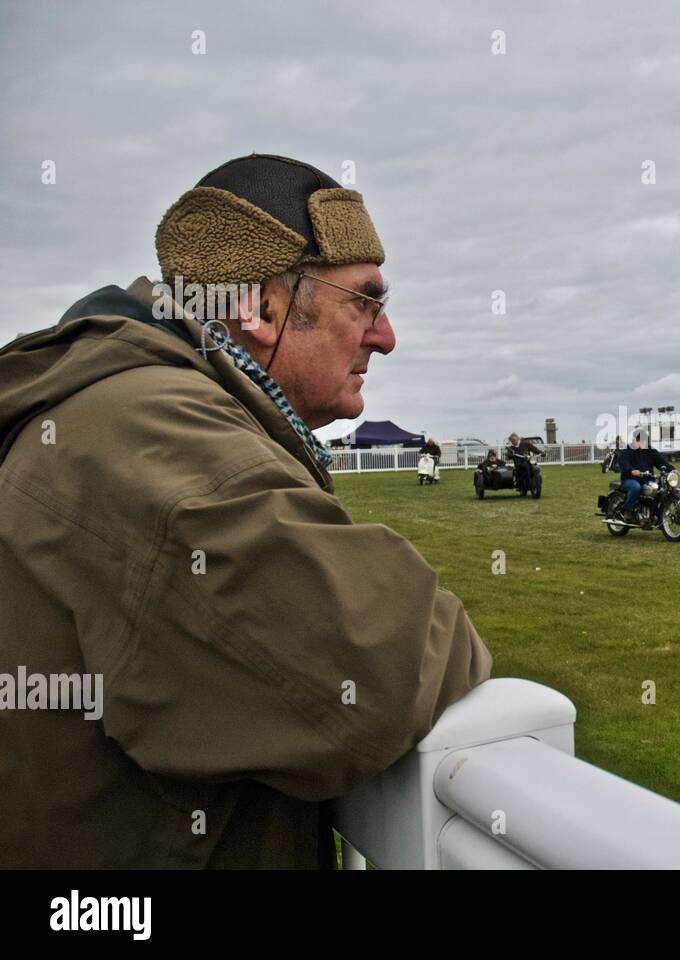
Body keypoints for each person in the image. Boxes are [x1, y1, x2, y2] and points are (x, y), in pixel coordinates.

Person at [0, 153, 492, 868]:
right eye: (366, 303)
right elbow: (388, 668)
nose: (384, 337)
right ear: (257, 307)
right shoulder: (161, 438)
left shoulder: (114, 408)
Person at [618, 429, 674, 518]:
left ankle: (653, 514)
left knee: (659, 489)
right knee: (636, 487)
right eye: (640, 440)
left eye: (644, 440)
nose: (643, 443)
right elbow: (623, 463)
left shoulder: (650, 450)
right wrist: (631, 471)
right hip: (630, 479)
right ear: (635, 440)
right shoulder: (628, 450)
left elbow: (660, 460)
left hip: (647, 479)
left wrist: (671, 469)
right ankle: (626, 510)